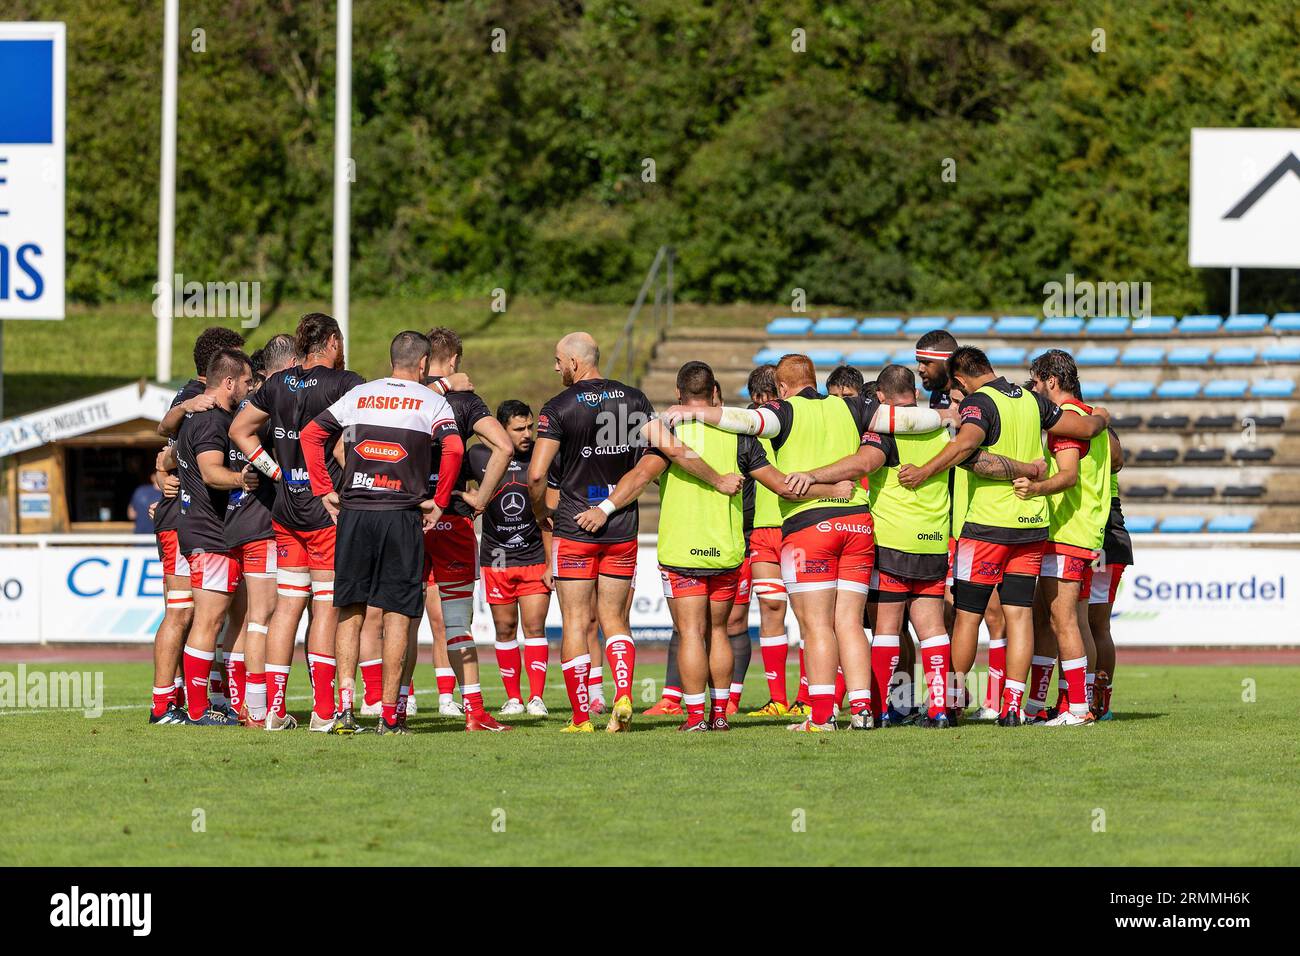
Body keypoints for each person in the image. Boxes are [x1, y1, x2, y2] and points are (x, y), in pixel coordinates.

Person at [662, 352, 946, 732]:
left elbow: (743, 419)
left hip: (809, 526)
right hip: (858, 524)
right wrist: (951, 417)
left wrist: (691, 413)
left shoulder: (783, 411)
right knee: (848, 622)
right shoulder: (853, 407)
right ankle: (862, 711)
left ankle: (823, 715)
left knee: (816, 627)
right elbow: (917, 418)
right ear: (815, 377)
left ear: (781, 387)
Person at [577, 361, 851, 731]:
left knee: (691, 633)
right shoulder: (738, 434)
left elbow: (640, 477)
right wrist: (831, 489)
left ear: (678, 394)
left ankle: (694, 718)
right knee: (719, 631)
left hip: (681, 548)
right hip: (726, 548)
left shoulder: (671, 432)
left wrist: (603, 509)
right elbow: (782, 484)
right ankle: (720, 715)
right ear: (714, 394)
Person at [897, 346, 1109, 726]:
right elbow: (1084, 428)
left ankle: (948, 706)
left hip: (987, 526)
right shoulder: (1030, 399)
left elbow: (965, 444)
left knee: (966, 616)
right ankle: (1012, 706)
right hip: (1031, 524)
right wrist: (1102, 417)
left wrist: (923, 472)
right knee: (1020, 616)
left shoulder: (979, 403)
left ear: (960, 379)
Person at [528, 332, 715, 733]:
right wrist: (717, 480)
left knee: (576, 623)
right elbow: (674, 449)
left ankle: (581, 719)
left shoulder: (558, 407)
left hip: (575, 526)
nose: (555, 367)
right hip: (621, 527)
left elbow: (538, 472)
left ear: (575, 363)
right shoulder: (634, 400)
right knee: (615, 619)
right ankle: (624, 695)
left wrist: (541, 509)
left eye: (558, 360)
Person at [300, 331, 464, 735]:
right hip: (401, 515)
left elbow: (311, 434)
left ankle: (345, 710)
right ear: (424, 364)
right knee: (397, 616)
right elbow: (456, 449)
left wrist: (323, 489)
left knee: (351, 611)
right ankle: (389, 716)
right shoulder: (433, 400)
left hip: (355, 513)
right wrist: (440, 499)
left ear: (392, 359)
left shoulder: (361, 394)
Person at [229, 313, 364, 731]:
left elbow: (240, 430)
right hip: (326, 510)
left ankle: (275, 709)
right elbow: (353, 442)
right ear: (334, 342)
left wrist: (274, 471)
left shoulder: (276, 383)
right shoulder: (345, 383)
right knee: (324, 606)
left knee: (287, 606)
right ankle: (324, 711)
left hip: (286, 509)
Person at [411, 328, 515, 732]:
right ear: (453, 359)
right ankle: (473, 711)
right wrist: (482, 498)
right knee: (456, 622)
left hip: (407, 517)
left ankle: (391, 708)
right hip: (451, 515)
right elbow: (504, 447)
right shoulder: (465, 400)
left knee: (399, 617)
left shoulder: (402, 394)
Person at [148, 325, 245, 725]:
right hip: (183, 521)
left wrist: (162, 469)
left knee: (205, 614)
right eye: (239, 361)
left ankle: (200, 698)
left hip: (189, 517)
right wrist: (163, 472)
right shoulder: (198, 399)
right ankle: (165, 704)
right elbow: (166, 443)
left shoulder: (199, 401)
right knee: (183, 613)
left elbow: (165, 449)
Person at [1015, 350, 1112, 726]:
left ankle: (1077, 708)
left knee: (1063, 619)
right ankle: (1041, 704)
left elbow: (1069, 475)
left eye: (1036, 381)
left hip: (1069, 531)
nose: (1034, 389)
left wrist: (1035, 488)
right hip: (1084, 530)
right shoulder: (1090, 416)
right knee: (1052, 617)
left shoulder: (1067, 421)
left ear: (1051, 381)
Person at [915, 328, 1005, 719]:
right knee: (950, 612)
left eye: (927, 363)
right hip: (947, 520)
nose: (920, 370)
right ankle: (952, 696)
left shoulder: (982, 399)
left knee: (994, 613)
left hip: (985, 517)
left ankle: (996, 699)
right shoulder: (933, 402)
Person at [172, 348, 258, 726]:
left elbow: (168, 451)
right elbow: (210, 472)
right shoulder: (210, 422)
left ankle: (208, 703)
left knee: (214, 619)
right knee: (208, 620)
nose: (248, 387)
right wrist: (242, 478)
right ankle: (196, 709)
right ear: (228, 382)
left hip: (207, 531)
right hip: (209, 533)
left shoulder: (201, 417)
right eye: (245, 381)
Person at [224, 333, 299, 727]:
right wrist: (280, 474)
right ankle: (257, 707)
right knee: (262, 617)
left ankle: (244, 703)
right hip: (260, 523)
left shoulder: (236, 408)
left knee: (245, 619)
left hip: (234, 522)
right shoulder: (270, 408)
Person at [476, 400, 553, 716]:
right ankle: (513, 698)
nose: (526, 434)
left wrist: (552, 562)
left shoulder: (542, 454)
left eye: (529, 427)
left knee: (535, 627)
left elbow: (550, 511)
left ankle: (536, 698)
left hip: (534, 556)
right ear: (501, 430)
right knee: (504, 628)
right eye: (518, 429)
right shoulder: (478, 456)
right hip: (496, 558)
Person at [1087, 429, 1130, 720]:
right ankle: (1097, 699)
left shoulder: (1094, 430)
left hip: (1101, 539)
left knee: (1091, 624)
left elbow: (1117, 458)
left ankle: (1088, 699)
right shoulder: (1098, 430)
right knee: (1095, 625)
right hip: (1108, 538)